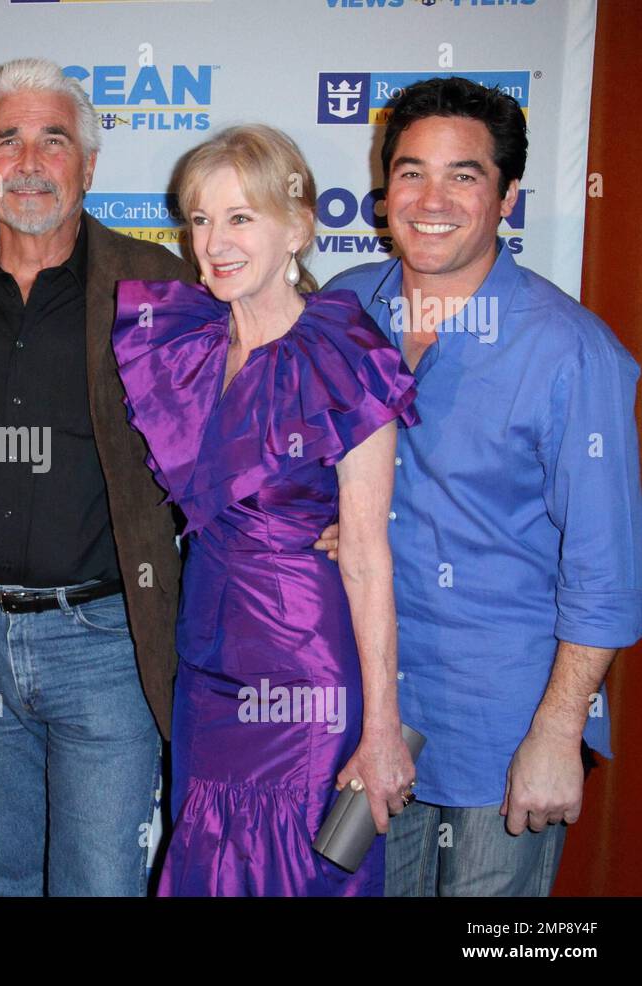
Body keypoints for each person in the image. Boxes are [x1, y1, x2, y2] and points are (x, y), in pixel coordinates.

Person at [319, 76, 642, 896]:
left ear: (506, 198)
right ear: (383, 185)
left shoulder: (572, 352)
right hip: (364, 706)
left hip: (501, 723)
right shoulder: (342, 308)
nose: (431, 199)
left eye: (463, 175)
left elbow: (606, 571)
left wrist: (558, 732)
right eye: (410, 171)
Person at [0, 57, 194, 896]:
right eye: (7, 139)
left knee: (99, 883)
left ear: (90, 165)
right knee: (9, 875)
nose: (28, 162)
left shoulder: (159, 284)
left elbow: (249, 395)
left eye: (53, 140)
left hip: (107, 638)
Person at [112, 125, 419, 896]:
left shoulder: (343, 351)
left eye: (240, 217)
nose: (213, 241)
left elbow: (367, 553)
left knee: (292, 866)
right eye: (200, 218)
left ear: (299, 227)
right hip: (207, 662)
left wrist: (381, 724)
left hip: (304, 667)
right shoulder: (185, 345)